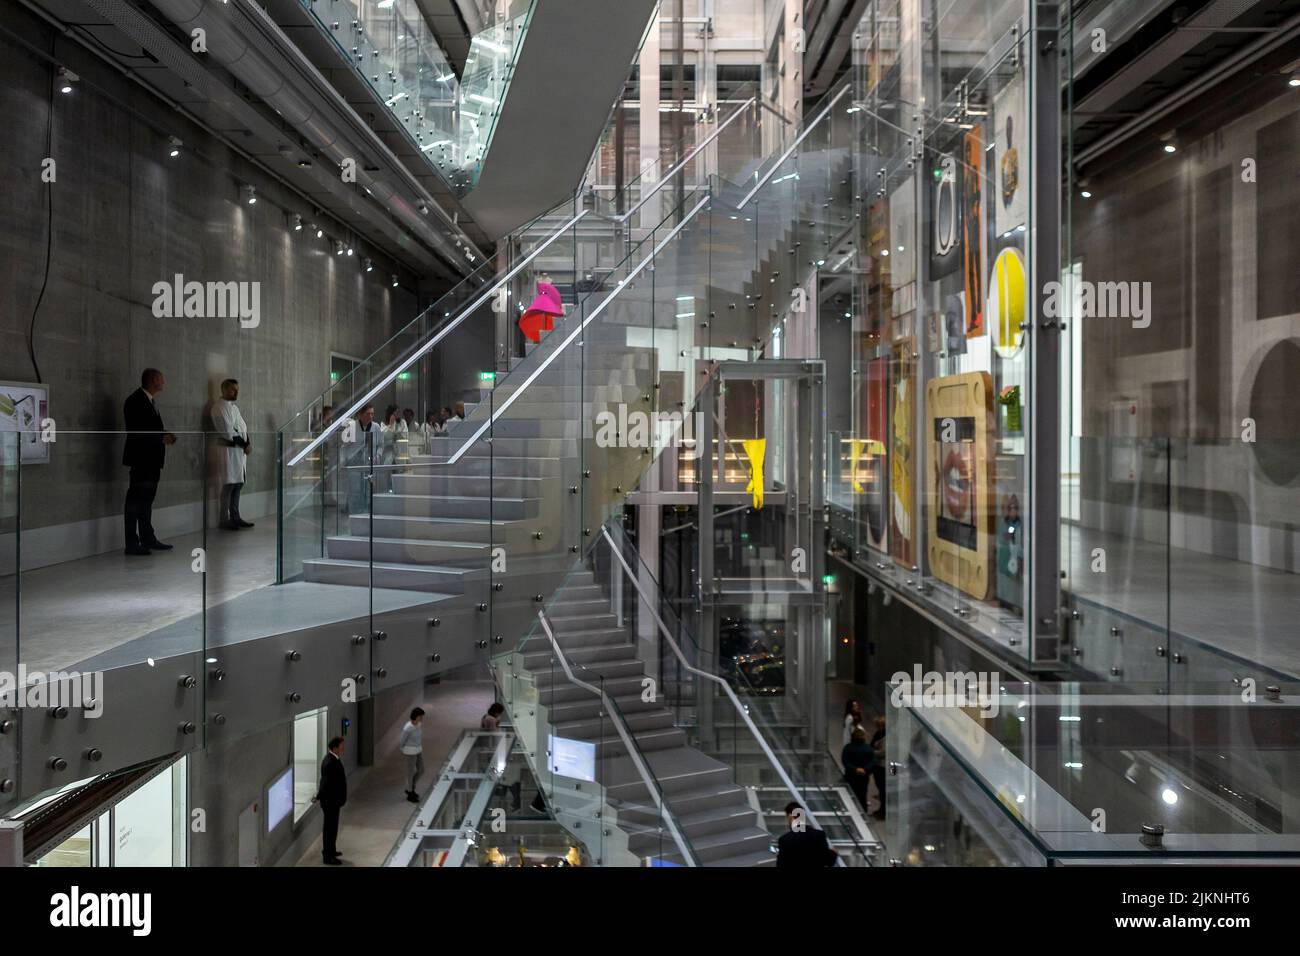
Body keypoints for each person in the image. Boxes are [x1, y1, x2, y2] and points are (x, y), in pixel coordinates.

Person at [122, 368, 177, 555]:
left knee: (146, 501)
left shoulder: (149, 401)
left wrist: (165, 435)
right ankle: (132, 542)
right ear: (153, 380)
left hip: (152, 460)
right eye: (161, 379)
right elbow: (137, 431)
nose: (163, 382)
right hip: (141, 459)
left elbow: (149, 428)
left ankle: (147, 537)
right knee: (135, 502)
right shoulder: (135, 400)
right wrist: (160, 438)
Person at [212, 378, 253, 530]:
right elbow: (228, 431)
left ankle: (236, 516)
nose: (236, 392)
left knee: (238, 483)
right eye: (232, 389)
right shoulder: (219, 408)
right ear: (224, 390)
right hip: (229, 451)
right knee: (229, 484)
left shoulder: (234, 408)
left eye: (237, 389)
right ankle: (225, 519)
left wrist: (247, 443)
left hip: (239, 452)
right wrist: (245, 445)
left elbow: (243, 427)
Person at [313, 736, 347, 865]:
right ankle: (328, 856)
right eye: (341, 746)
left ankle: (331, 850)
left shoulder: (333, 759)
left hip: (334, 801)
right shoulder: (330, 763)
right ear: (335, 748)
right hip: (330, 802)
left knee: (332, 828)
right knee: (330, 829)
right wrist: (318, 796)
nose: (343, 748)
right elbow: (325, 784)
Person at [776, 801, 836, 868]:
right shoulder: (819, 835)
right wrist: (834, 853)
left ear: (790, 816)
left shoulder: (784, 840)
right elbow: (829, 861)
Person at [842, 726, 876, 812]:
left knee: (850, 795)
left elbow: (845, 761)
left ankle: (850, 811)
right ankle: (863, 812)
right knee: (862, 795)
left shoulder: (848, 748)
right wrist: (865, 769)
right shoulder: (868, 749)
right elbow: (873, 762)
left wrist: (855, 769)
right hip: (863, 777)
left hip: (851, 775)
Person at [400, 707, 425, 803]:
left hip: (418, 749)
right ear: (416, 716)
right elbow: (402, 740)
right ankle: (410, 793)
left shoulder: (418, 724)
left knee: (421, 769)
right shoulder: (408, 728)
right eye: (421, 717)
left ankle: (410, 787)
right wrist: (403, 748)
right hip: (410, 751)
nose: (422, 718)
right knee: (410, 773)